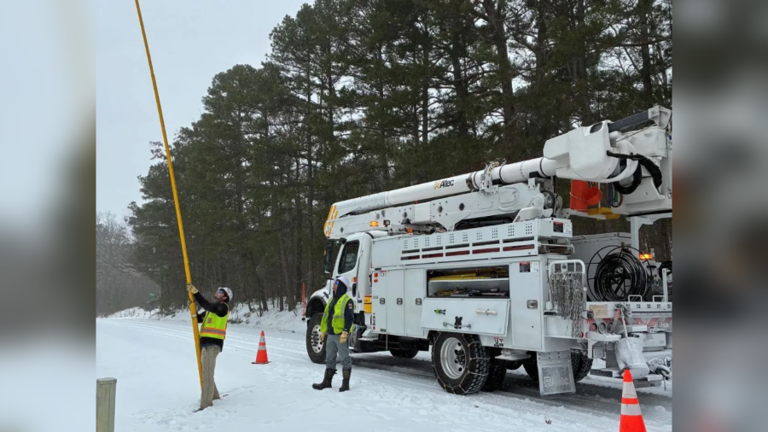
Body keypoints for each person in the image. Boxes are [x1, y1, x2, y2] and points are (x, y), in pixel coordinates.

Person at [186, 284, 232, 411]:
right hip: (206, 344)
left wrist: (196, 293)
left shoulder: (222, 307)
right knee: (207, 372)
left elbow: (207, 305)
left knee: (207, 375)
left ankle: (206, 404)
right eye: (218, 290)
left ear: (225, 297)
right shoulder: (211, 310)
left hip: (212, 345)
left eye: (221, 291)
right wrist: (192, 307)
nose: (217, 292)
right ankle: (214, 395)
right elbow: (197, 319)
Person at [312, 276, 355, 392]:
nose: (334, 286)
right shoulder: (332, 300)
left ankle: (345, 384)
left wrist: (345, 331)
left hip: (341, 335)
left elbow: (349, 318)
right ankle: (327, 382)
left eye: (336, 284)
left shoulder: (347, 301)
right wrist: (324, 331)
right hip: (331, 334)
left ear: (342, 286)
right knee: (329, 358)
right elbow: (327, 317)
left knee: (345, 359)